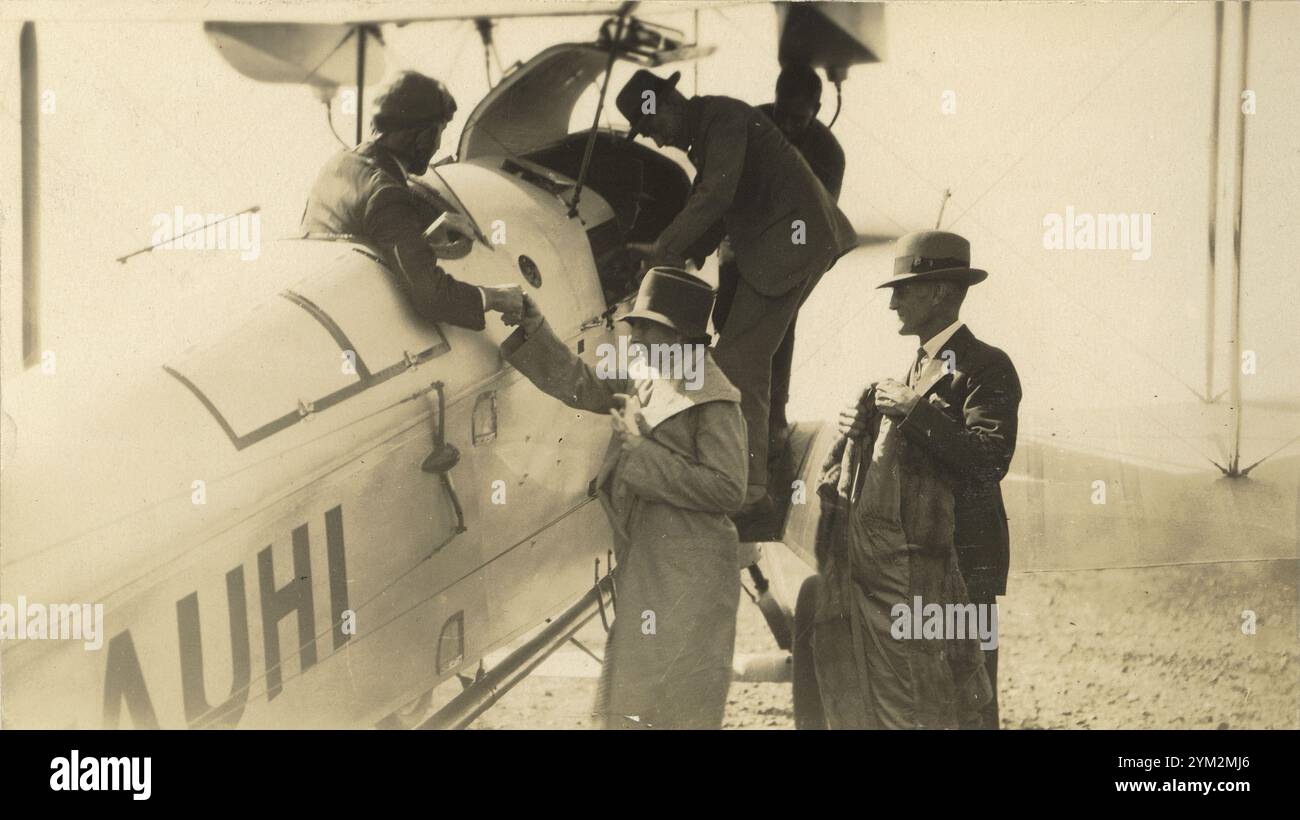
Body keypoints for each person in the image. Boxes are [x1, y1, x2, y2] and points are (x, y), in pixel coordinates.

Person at [501, 268, 748, 729]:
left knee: (674, 704)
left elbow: (728, 488)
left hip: (690, 579)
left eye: (644, 328)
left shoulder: (715, 400)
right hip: (653, 566)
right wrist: (536, 330)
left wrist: (641, 453)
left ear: (677, 334)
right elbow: (587, 386)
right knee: (632, 700)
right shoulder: (653, 373)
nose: (632, 339)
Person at [615, 69, 857, 517]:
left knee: (741, 361)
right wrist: (685, 257)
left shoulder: (722, 120)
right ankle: (749, 476)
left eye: (654, 128)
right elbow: (721, 208)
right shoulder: (712, 127)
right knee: (745, 355)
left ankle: (748, 487)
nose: (659, 142)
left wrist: (662, 248)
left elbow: (715, 197)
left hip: (791, 247)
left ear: (668, 104)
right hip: (783, 245)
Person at [833, 230, 1022, 729]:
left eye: (903, 290)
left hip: (964, 561)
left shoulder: (988, 365)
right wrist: (863, 427)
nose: (892, 303)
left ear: (940, 292)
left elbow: (989, 460)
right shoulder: (917, 366)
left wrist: (913, 411)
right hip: (916, 566)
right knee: (924, 694)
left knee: (970, 693)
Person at [300, 71, 523, 329]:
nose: (438, 144)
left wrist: (424, 237)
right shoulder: (387, 195)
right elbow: (431, 297)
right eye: (439, 131)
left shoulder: (337, 163)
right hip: (362, 322)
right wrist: (494, 297)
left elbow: (365, 238)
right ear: (423, 136)